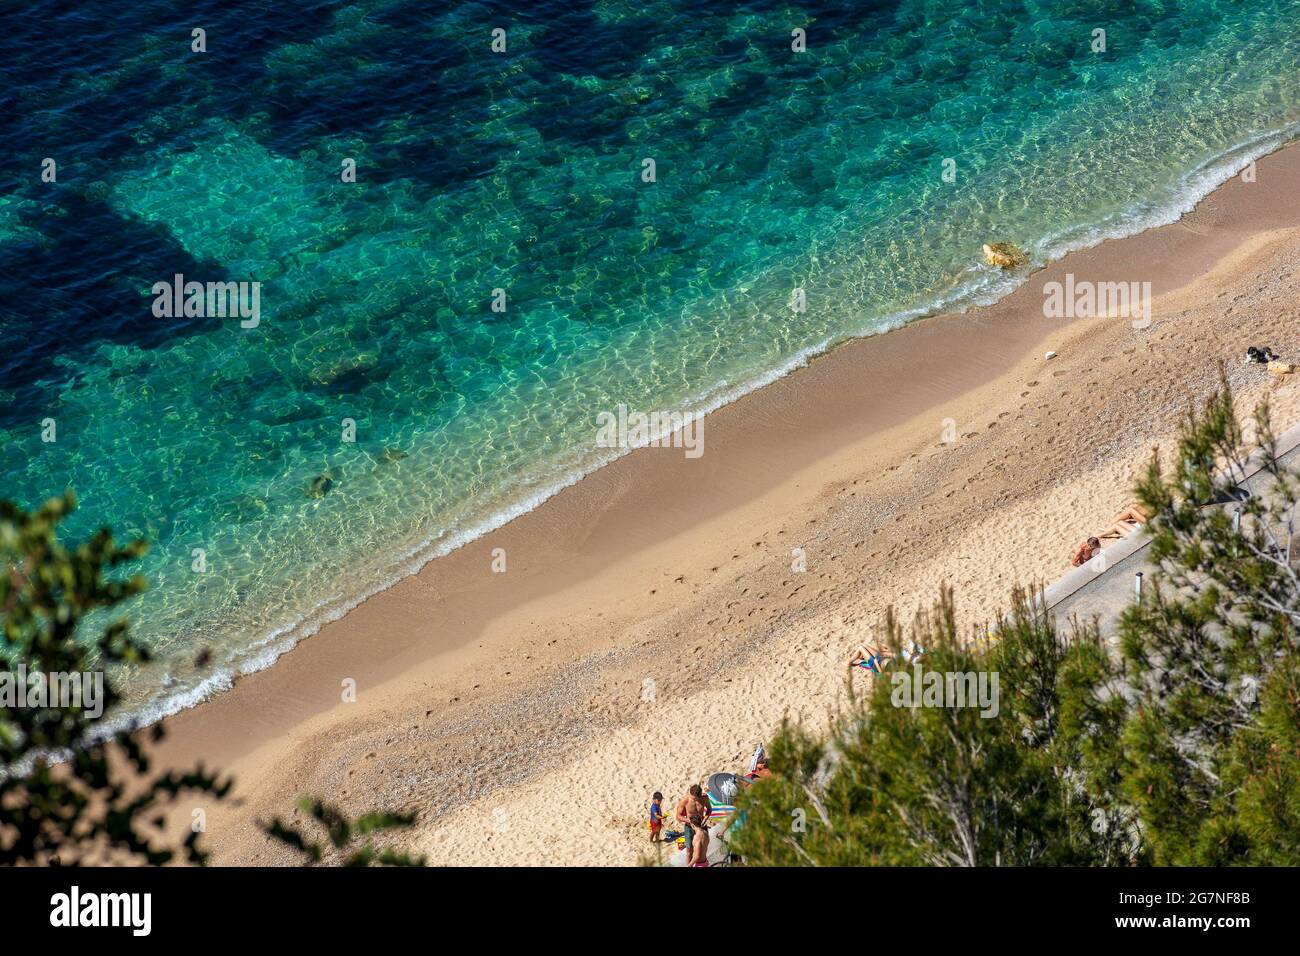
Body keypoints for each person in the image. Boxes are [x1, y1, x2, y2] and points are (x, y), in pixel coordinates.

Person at [674, 785, 711, 867]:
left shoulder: (704, 798)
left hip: (701, 825)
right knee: (689, 851)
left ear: (700, 795)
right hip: (689, 827)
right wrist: (689, 821)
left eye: (695, 798)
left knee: (703, 849)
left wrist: (706, 817)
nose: (693, 799)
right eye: (692, 797)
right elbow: (678, 816)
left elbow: (709, 809)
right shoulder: (685, 800)